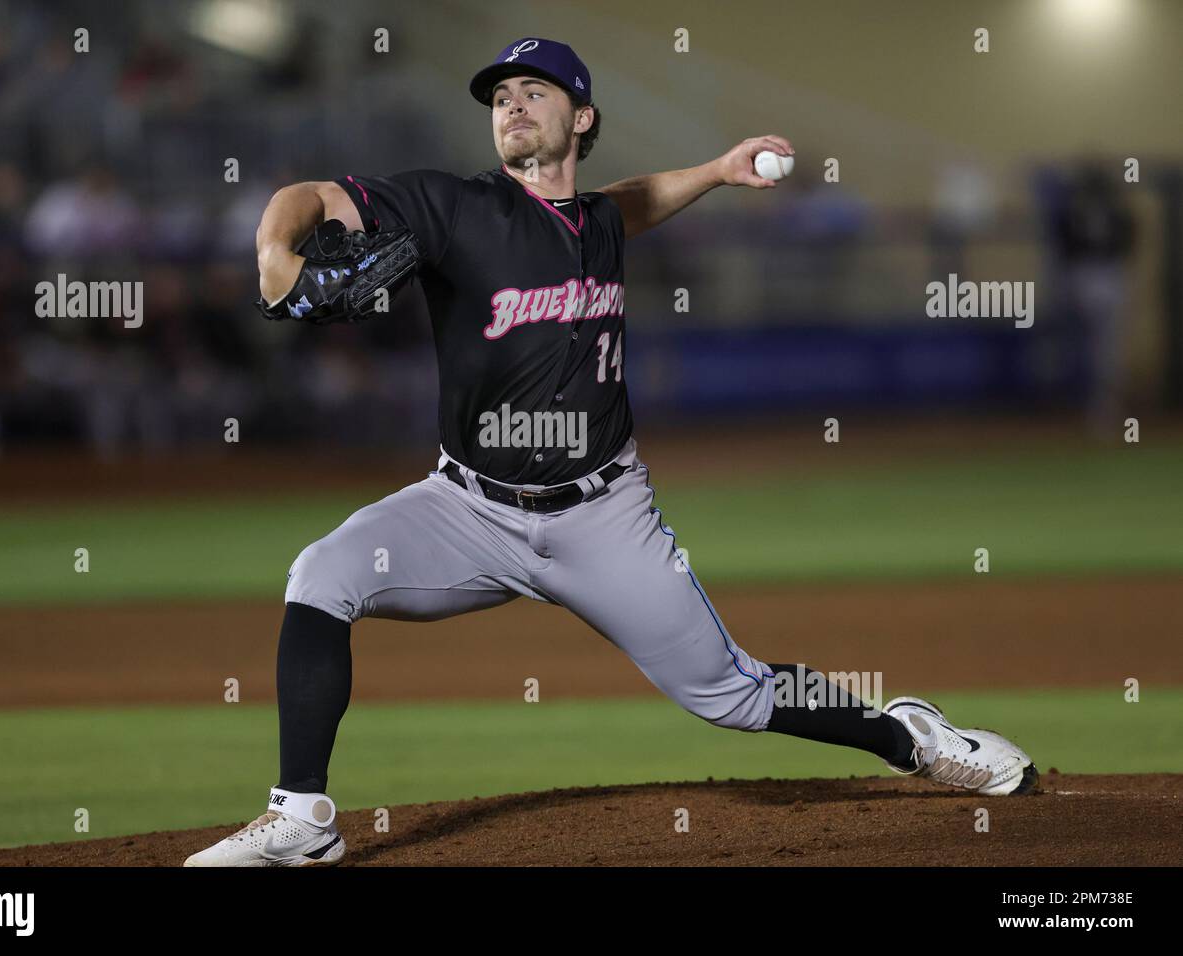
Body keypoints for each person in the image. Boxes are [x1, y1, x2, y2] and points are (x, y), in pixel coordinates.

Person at [186, 38, 1036, 867]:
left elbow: (634, 200)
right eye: (498, 97)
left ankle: (909, 735)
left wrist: (712, 171)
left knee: (732, 694)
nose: (510, 105)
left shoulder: (598, 220)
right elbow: (306, 195)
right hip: (467, 509)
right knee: (320, 575)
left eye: (534, 91)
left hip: (604, 515)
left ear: (581, 117)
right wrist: (273, 254)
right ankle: (303, 816)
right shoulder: (454, 206)